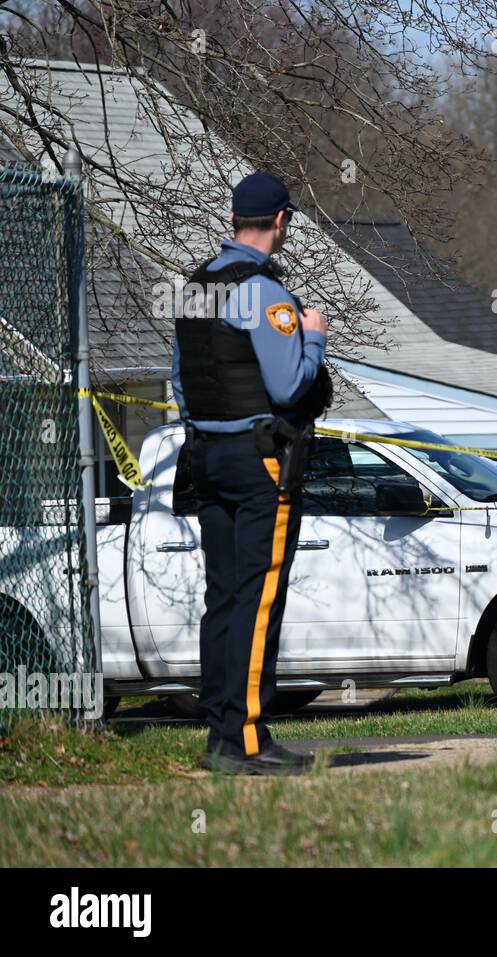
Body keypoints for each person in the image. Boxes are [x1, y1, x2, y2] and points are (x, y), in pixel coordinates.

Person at [170, 171, 332, 775]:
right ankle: (249, 742)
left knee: (224, 597)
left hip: (205, 457)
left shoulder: (195, 287)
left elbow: (180, 383)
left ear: (238, 219)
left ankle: (219, 735)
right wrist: (313, 338)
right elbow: (290, 385)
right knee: (260, 598)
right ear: (281, 222)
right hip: (260, 459)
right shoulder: (265, 294)